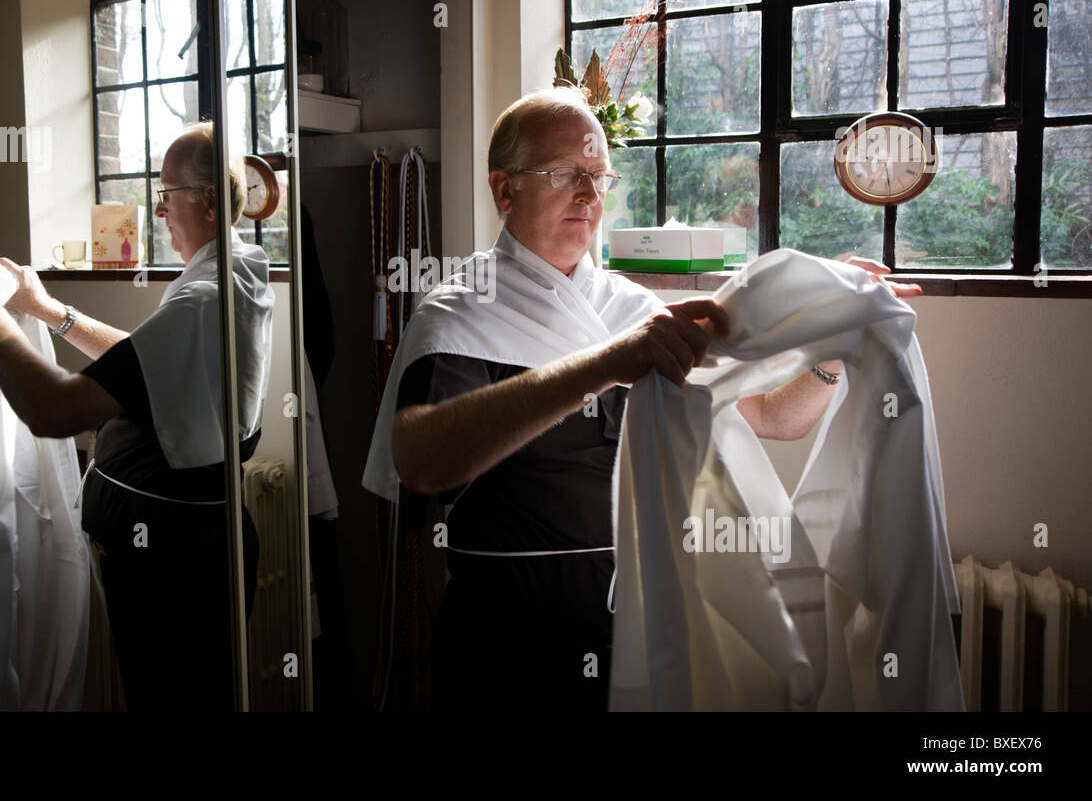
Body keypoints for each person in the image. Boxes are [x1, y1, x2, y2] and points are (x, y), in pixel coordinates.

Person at [362, 87, 922, 712]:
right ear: (504, 189)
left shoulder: (632, 309)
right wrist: (608, 362)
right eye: (564, 174)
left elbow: (770, 419)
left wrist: (832, 345)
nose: (589, 195)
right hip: (507, 642)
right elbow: (421, 461)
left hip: (632, 628)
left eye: (599, 176)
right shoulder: (460, 311)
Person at [0, 121, 275, 711]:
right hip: (181, 549)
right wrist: (49, 311)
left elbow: (54, 409)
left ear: (203, 199)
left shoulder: (205, 299)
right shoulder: (230, 274)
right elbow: (143, 361)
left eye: (166, 193)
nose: (158, 209)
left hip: (174, 565)